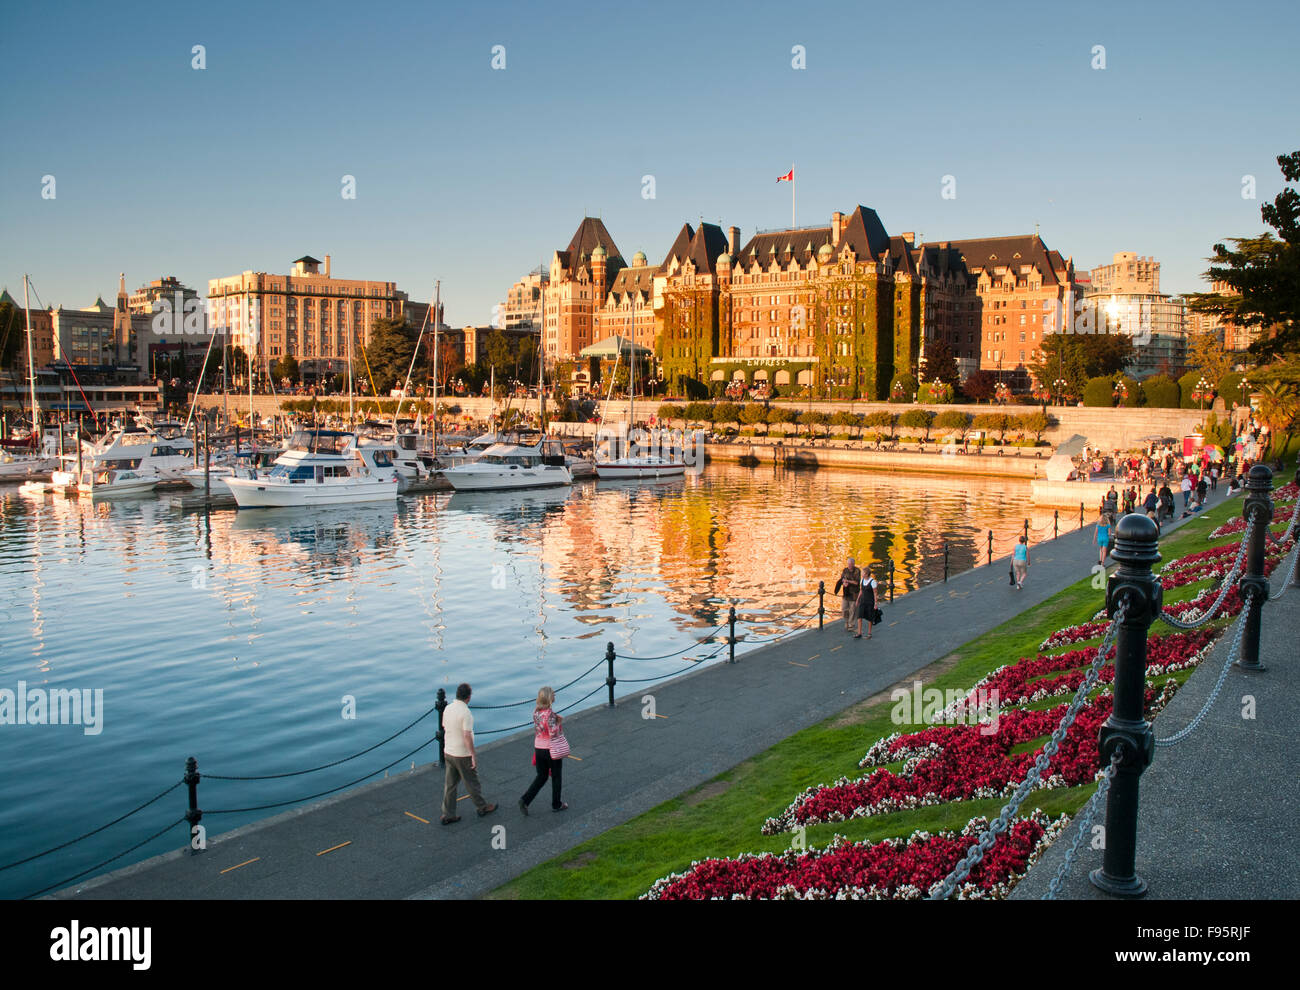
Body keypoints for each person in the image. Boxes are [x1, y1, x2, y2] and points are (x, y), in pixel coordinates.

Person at [440, 683, 497, 825]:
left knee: (450, 785)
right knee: (472, 782)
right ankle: (482, 807)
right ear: (469, 697)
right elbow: (467, 735)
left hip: (448, 751)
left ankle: (448, 814)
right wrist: (473, 754)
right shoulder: (466, 713)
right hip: (462, 754)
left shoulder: (448, 708)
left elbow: (443, 725)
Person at [519, 686, 567, 814]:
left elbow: (540, 729)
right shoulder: (550, 714)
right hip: (550, 748)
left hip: (538, 747)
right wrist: (559, 722)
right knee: (556, 776)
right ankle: (556, 804)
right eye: (553, 695)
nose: (555, 696)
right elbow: (552, 732)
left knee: (542, 776)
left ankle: (525, 800)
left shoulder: (536, 712)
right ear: (549, 698)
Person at [833, 558, 861, 633]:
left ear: (853, 564)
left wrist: (848, 581)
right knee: (844, 608)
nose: (849, 566)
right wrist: (844, 582)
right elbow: (842, 579)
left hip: (854, 594)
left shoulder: (857, 571)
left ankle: (851, 625)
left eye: (851, 564)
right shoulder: (845, 570)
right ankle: (846, 622)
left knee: (853, 609)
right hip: (846, 593)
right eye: (848, 564)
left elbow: (856, 583)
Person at [854, 567, 878, 639]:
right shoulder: (862, 580)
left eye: (863, 573)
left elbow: (875, 593)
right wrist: (858, 599)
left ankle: (869, 633)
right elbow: (861, 591)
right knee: (859, 616)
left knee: (870, 618)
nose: (862, 574)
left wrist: (875, 603)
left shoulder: (872, 582)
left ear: (867, 574)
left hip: (870, 602)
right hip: (862, 601)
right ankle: (859, 632)